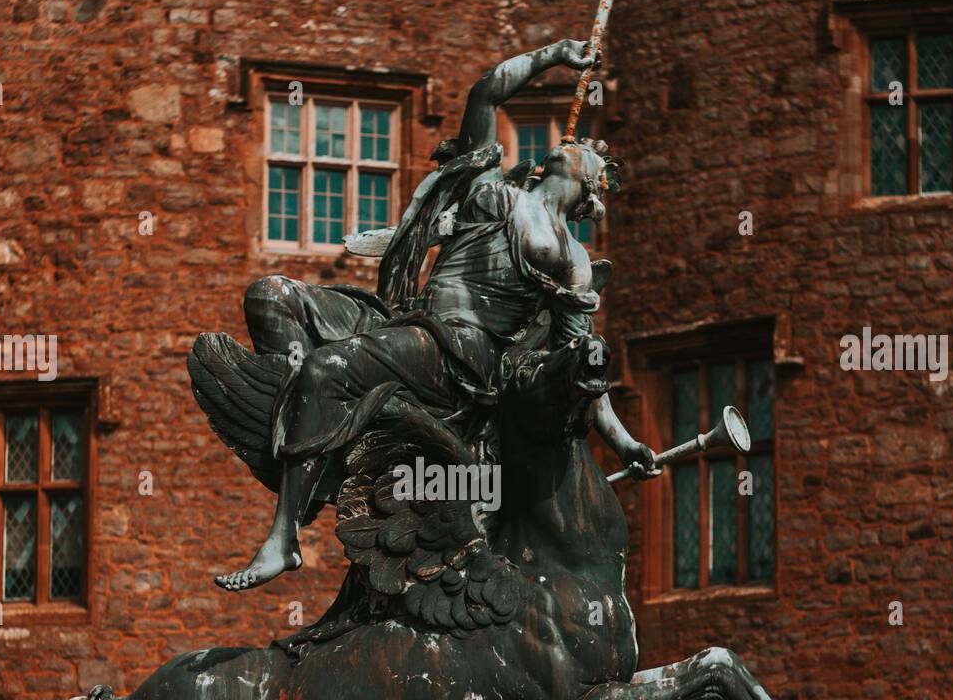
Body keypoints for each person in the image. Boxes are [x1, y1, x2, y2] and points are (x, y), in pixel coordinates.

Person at [216, 38, 659, 591]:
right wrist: (553, 56)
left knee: (326, 370)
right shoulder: (489, 191)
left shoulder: (572, 260)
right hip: (409, 325)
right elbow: (486, 93)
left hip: (462, 353)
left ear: (589, 183)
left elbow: (584, 370)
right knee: (270, 295)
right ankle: (324, 437)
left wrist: (624, 442)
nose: (573, 142)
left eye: (585, 148)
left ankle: (284, 538)